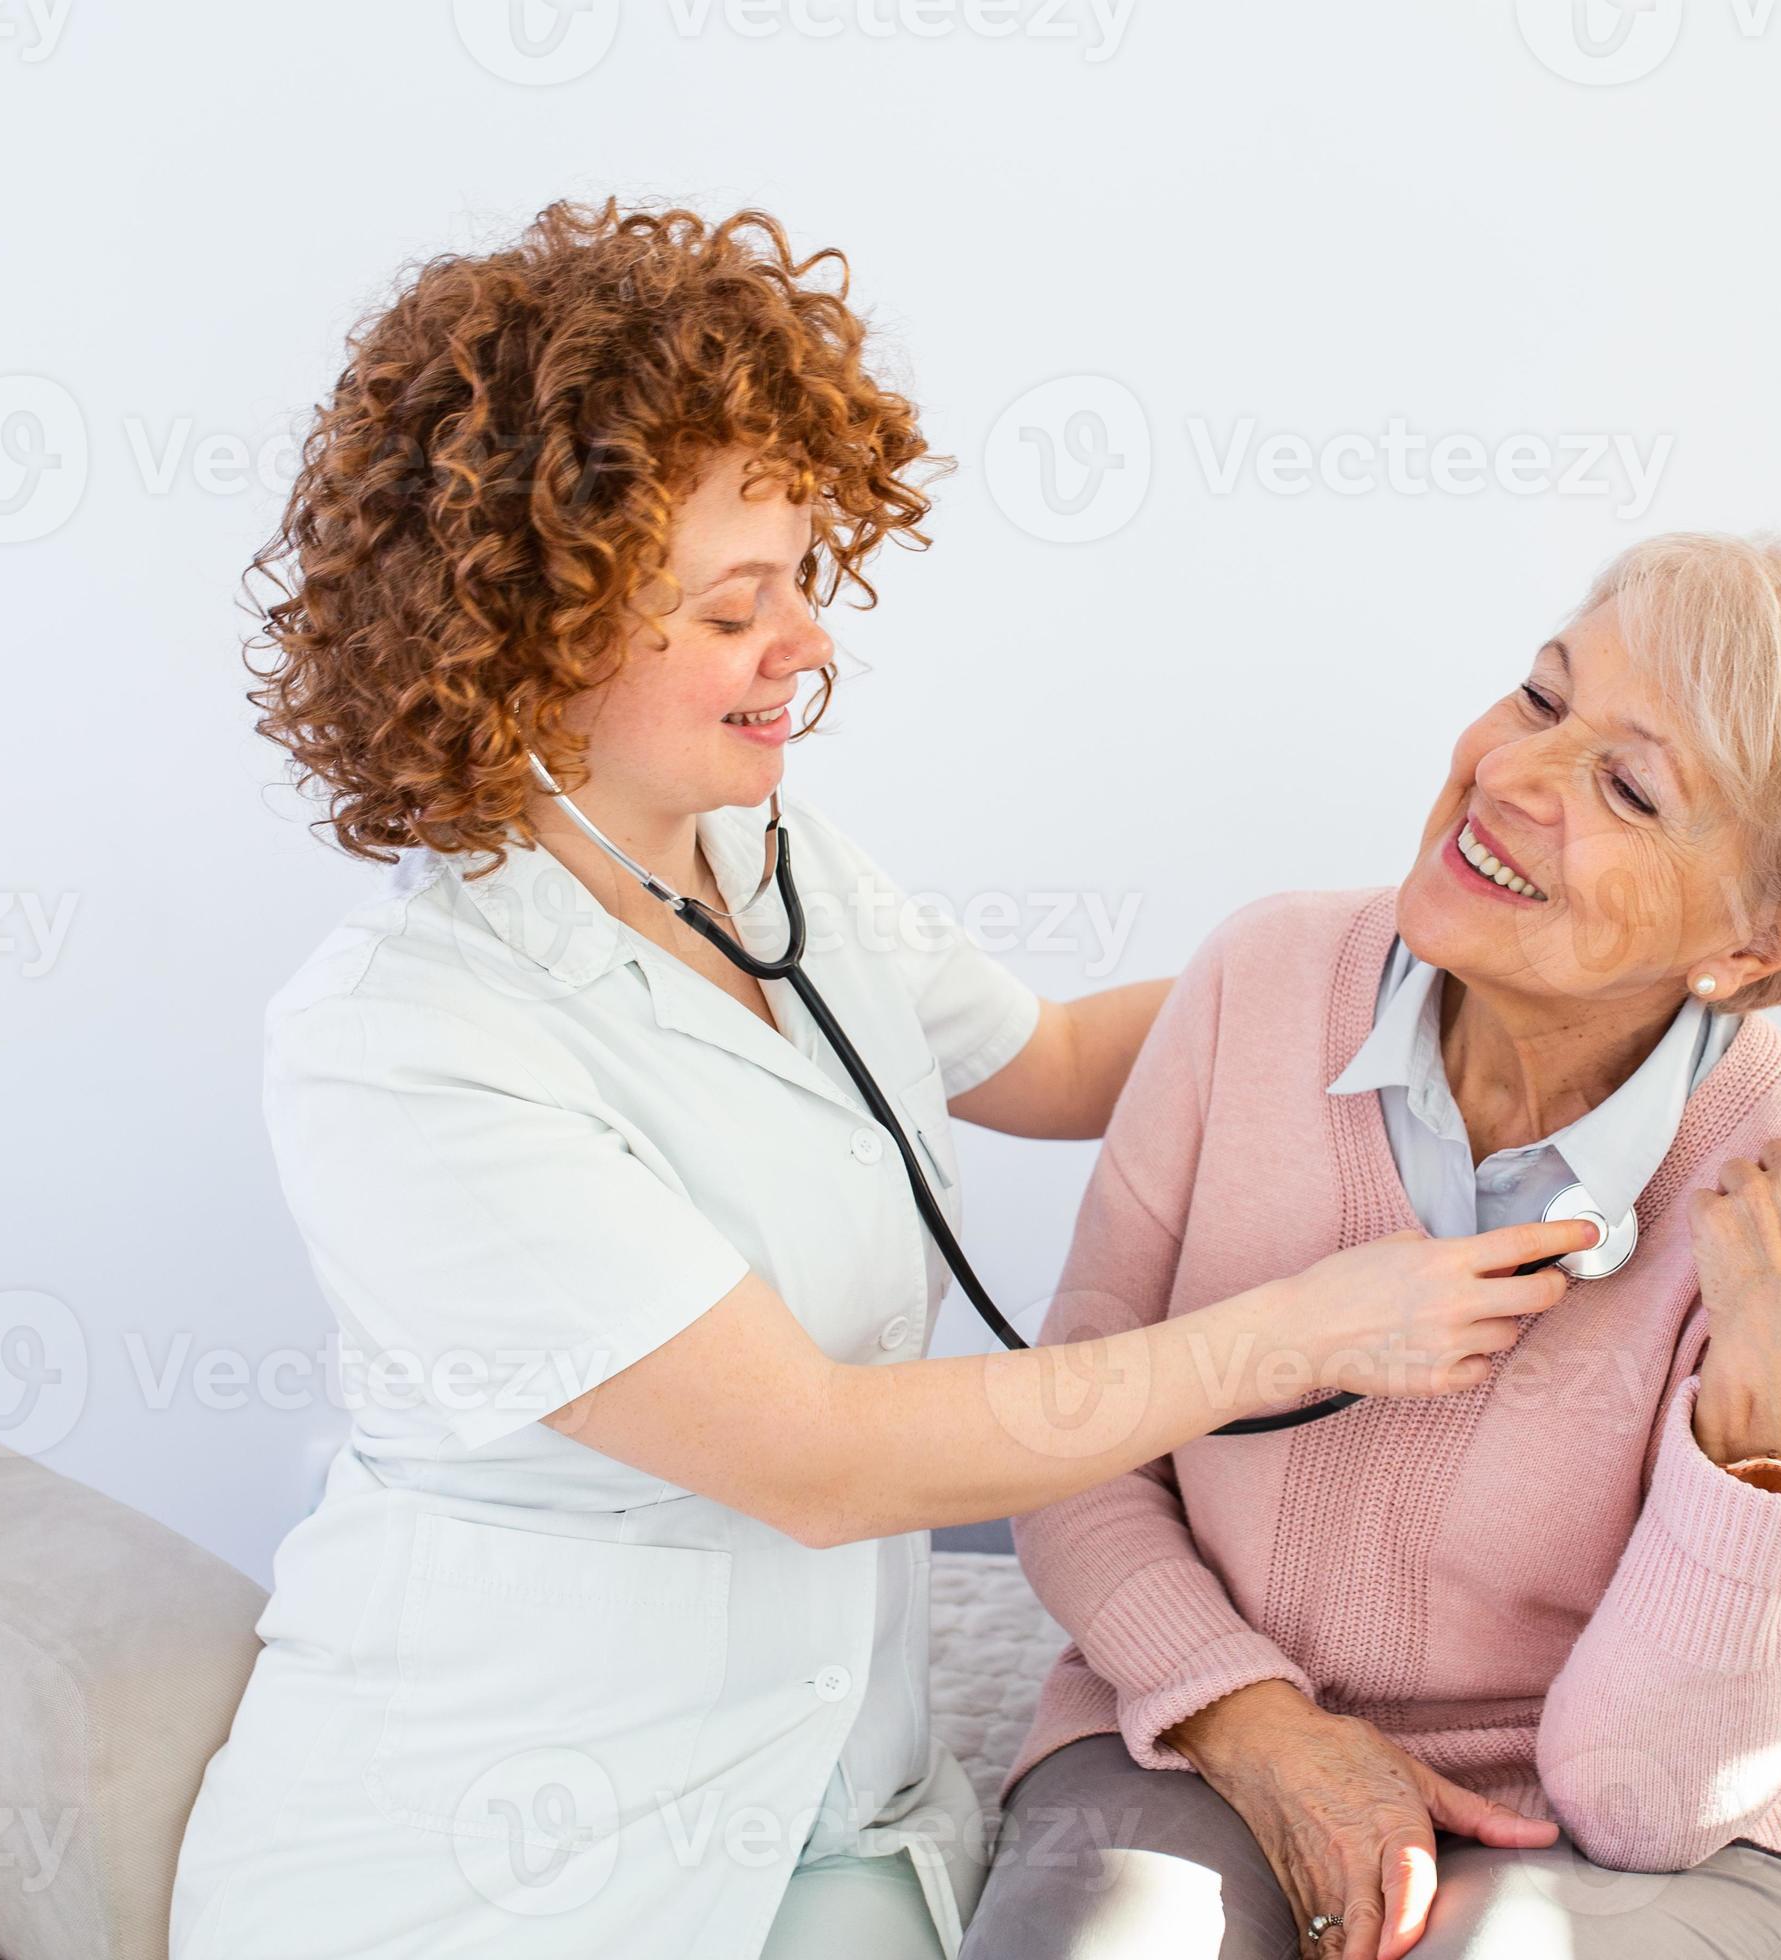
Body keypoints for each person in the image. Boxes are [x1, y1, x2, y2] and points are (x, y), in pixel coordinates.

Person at [165, 199, 1598, 1960]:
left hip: (835, 1820)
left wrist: (1426, 951)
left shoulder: (768, 858)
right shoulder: (406, 1039)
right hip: (493, 1864)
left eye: (803, 580)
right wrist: (1307, 1334)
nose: (810, 644)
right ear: (533, 635)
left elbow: (1052, 1059)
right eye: (735, 607)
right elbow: (820, 1459)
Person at [963, 532, 1781, 1960]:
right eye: (1543, 698)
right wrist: (1255, 1723)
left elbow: (1646, 1803)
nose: (1510, 774)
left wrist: (1771, 1446)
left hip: (1666, 1793)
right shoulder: (1257, 981)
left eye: (1627, 788)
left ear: (1758, 946)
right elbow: (1072, 1448)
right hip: (1210, 1714)